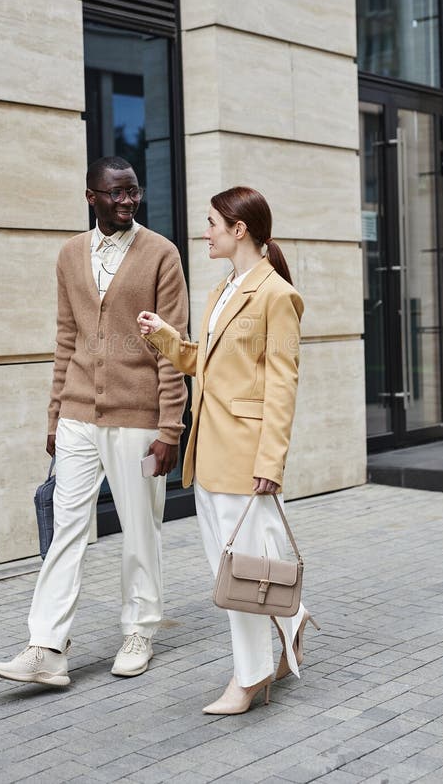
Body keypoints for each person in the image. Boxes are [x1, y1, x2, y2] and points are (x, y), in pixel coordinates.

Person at [0, 156, 188, 687]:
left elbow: (173, 348)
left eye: (134, 192)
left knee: (139, 530)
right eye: (116, 193)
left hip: (139, 419)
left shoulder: (161, 254)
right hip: (78, 414)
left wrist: (170, 427)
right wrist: (55, 414)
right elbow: (65, 339)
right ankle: (47, 647)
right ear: (91, 196)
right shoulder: (70, 255)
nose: (127, 201)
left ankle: (140, 628)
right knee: (66, 531)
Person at [137, 186, 319, 715]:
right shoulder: (222, 292)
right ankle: (294, 617)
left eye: (213, 223)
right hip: (209, 449)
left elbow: (283, 386)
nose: (206, 232)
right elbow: (206, 364)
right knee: (237, 565)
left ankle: (250, 676)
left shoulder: (276, 295)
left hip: (246, 455)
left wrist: (270, 463)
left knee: (240, 571)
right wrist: (167, 338)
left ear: (240, 229)